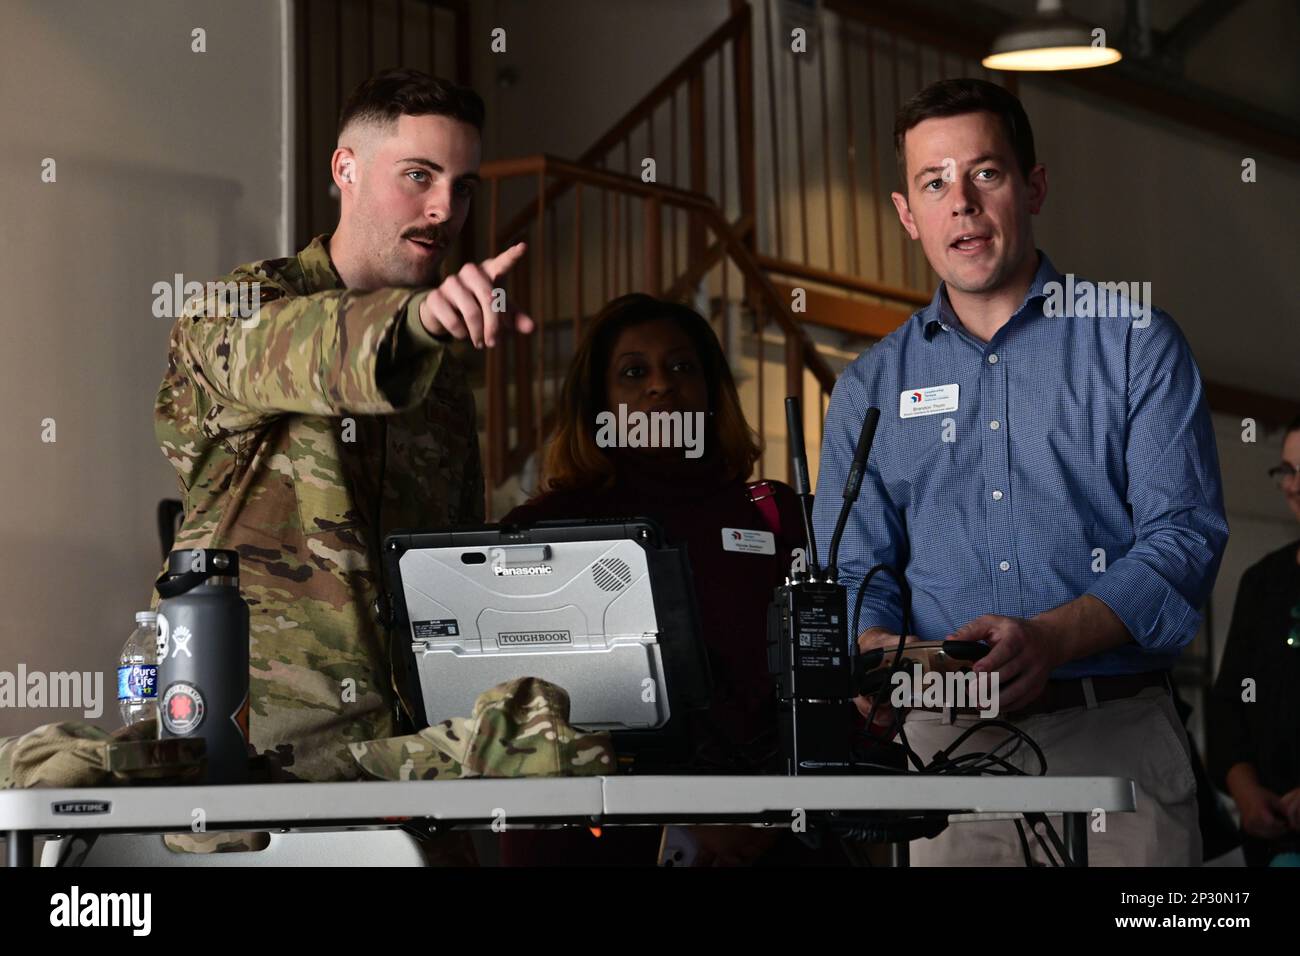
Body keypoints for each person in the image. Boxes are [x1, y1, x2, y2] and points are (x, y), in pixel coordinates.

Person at [811, 78, 1229, 866]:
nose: (960, 202)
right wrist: (881, 653)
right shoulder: (869, 387)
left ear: (1033, 184)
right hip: (945, 760)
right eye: (933, 183)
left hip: (1117, 744)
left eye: (986, 173)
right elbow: (855, 567)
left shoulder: (1136, 344)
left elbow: (1183, 540)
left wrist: (1051, 639)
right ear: (908, 215)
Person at [153, 69, 533, 784]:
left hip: (408, 770)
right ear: (345, 169)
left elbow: (449, 570)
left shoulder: (444, 378)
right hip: (256, 776)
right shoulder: (237, 307)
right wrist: (415, 321)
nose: (444, 209)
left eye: (464, 185)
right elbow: (296, 349)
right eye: (418, 175)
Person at [497, 293, 839, 866]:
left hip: (770, 833)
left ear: (711, 390)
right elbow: (530, 714)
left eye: (682, 367)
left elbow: (814, 685)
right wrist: (680, 817)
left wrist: (771, 809)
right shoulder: (539, 531)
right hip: (595, 841)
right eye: (634, 372)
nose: (661, 385)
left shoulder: (775, 516)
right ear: (597, 401)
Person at [1210, 414, 1300, 866]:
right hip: (1272, 843)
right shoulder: (1262, 582)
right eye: (1288, 470)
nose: (1294, 486)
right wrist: (1244, 790)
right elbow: (1228, 704)